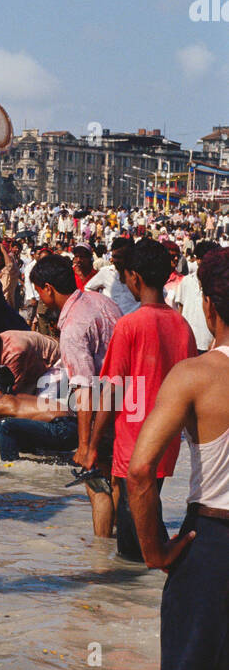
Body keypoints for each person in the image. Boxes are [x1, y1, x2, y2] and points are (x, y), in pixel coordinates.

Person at [127, 247, 229, 670]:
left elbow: (140, 470)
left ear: (208, 307)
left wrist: (156, 551)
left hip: (210, 542)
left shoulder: (195, 376)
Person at [79, 239, 197, 558]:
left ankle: (131, 597)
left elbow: (111, 389)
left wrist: (91, 444)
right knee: (149, 514)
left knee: (132, 541)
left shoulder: (130, 325)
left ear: (134, 277)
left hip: (133, 439)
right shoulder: (183, 327)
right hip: (167, 441)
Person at [0, 254, 120, 480]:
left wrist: (84, 446)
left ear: (48, 289)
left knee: (99, 486)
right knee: (120, 484)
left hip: (105, 414)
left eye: (39, 292)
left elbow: (84, 389)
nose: (40, 298)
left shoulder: (73, 327)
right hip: (126, 401)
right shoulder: (103, 301)